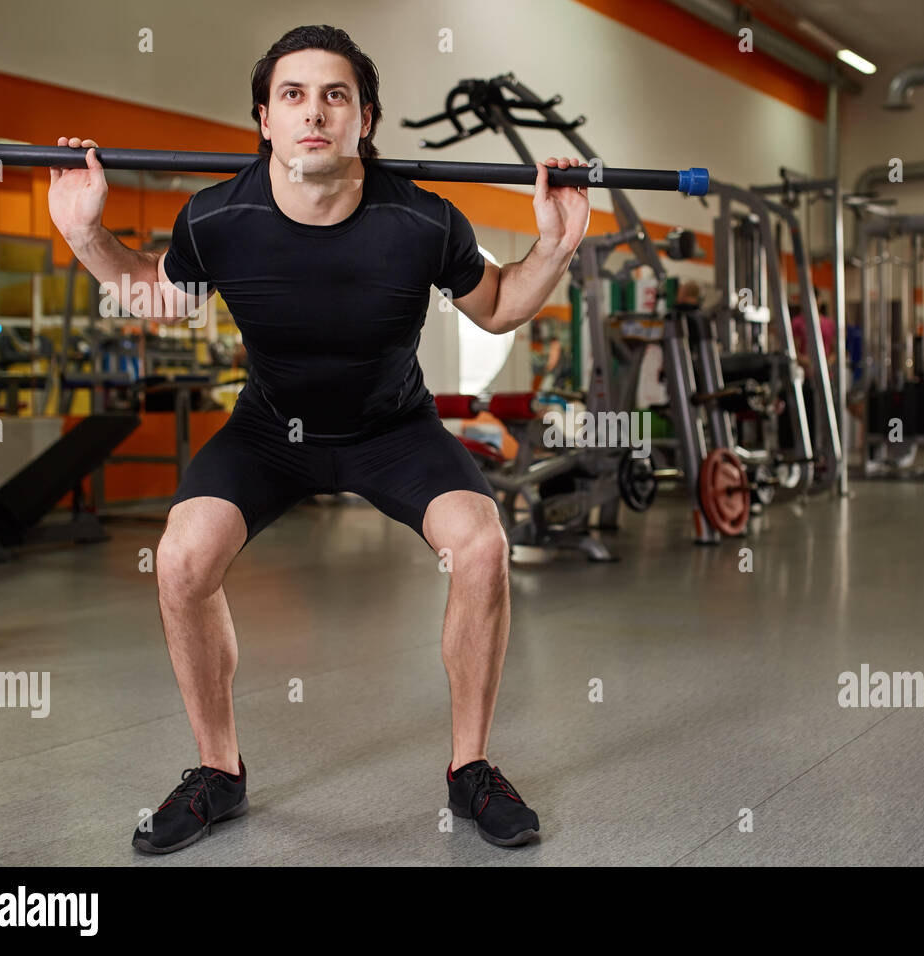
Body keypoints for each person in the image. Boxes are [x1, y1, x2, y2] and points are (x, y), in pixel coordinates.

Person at [47, 25, 591, 853]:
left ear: (364, 118)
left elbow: (502, 306)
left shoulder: (423, 219)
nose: (314, 112)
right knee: (184, 556)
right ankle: (217, 774)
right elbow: (158, 301)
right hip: (271, 431)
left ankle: (470, 770)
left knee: (481, 548)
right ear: (264, 119)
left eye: (335, 95)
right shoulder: (218, 216)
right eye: (293, 95)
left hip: (393, 430)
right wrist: (85, 232)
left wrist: (554, 243)